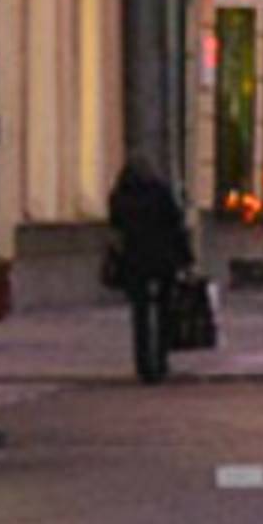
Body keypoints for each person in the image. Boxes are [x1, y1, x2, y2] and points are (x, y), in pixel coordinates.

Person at [106, 153, 197, 383]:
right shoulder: (160, 193)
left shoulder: (120, 197)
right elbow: (175, 226)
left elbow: (115, 229)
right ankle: (161, 359)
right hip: (162, 261)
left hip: (135, 262)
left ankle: (143, 362)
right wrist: (186, 259)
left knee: (140, 314)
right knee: (165, 310)